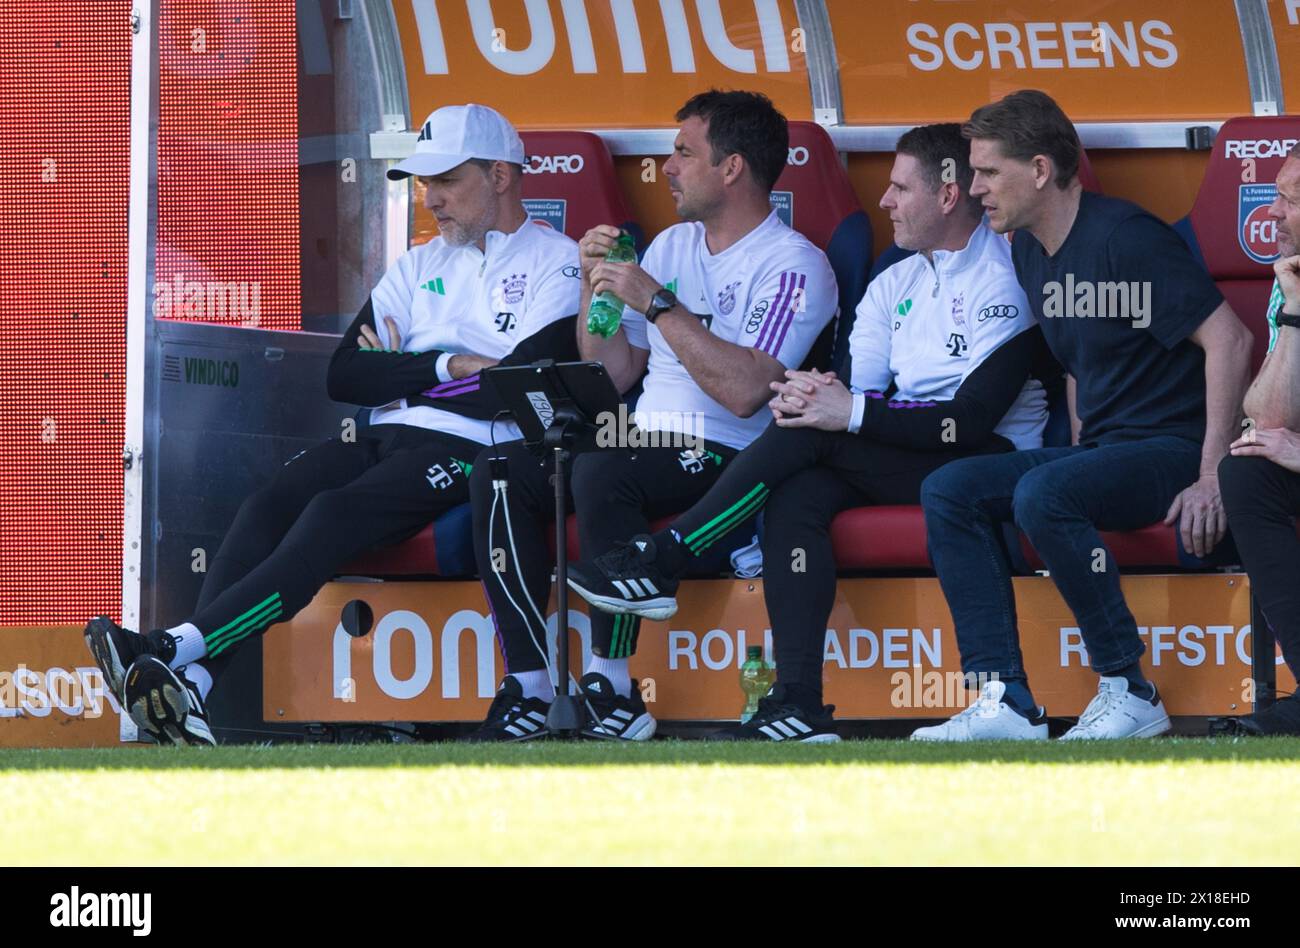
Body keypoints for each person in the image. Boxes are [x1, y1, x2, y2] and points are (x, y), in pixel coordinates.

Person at [84, 103, 581, 745]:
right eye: (425, 183)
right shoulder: (419, 263)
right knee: (266, 504)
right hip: (381, 431)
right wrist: (447, 362)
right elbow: (345, 376)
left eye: (447, 181)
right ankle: (199, 688)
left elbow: (513, 386)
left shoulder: (557, 261)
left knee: (329, 514)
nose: (431, 198)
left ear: (502, 177)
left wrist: (404, 365)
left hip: (470, 445)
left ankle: (174, 648)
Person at [569, 123, 1049, 742]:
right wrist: (820, 400)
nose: (885, 202)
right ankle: (798, 703)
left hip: (988, 458)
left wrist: (841, 412)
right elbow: (866, 397)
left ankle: (666, 558)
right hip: (913, 452)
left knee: (810, 437)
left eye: (900, 189)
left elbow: (969, 422)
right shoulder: (893, 282)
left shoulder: (1004, 276)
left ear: (948, 197)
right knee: (802, 485)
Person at [467, 90, 837, 741]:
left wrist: (659, 301)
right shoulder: (668, 245)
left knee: (607, 467)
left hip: (727, 452)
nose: (666, 167)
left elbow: (747, 390)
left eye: (684, 152)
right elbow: (612, 370)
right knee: (501, 467)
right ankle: (527, 685)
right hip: (642, 434)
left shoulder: (795, 266)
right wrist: (595, 288)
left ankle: (612, 687)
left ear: (733, 168)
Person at [916, 90, 1254, 741]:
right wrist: (1081, 448)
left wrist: (1214, 474)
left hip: (1174, 448)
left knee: (1044, 492)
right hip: (1107, 450)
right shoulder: (1026, 249)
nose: (974, 186)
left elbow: (1230, 342)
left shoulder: (1125, 237)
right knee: (950, 487)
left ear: (1040, 170)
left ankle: (1130, 689)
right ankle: (1004, 701)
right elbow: (1077, 364)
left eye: (987, 171)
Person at [1218, 144, 1300, 735]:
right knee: (1246, 469)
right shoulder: (1291, 276)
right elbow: (1265, 414)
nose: (1271, 213)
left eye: (1289, 200)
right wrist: (1294, 310)